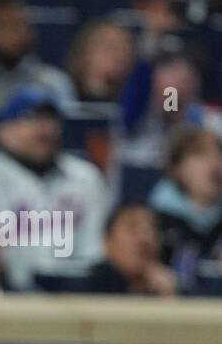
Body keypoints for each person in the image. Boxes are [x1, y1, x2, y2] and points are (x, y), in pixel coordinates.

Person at [0, 87, 109, 289]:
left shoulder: (86, 178)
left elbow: (97, 252)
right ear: (3, 131)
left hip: (78, 293)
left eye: (51, 120)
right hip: (5, 293)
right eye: (31, 118)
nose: (45, 129)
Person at [148, 127, 222, 293]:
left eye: (219, 154)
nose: (215, 163)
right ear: (177, 169)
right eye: (200, 155)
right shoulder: (154, 221)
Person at [86, 203, 175, 296]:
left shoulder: (174, 289)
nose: (144, 238)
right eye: (132, 227)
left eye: (151, 228)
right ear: (107, 242)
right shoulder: (83, 290)